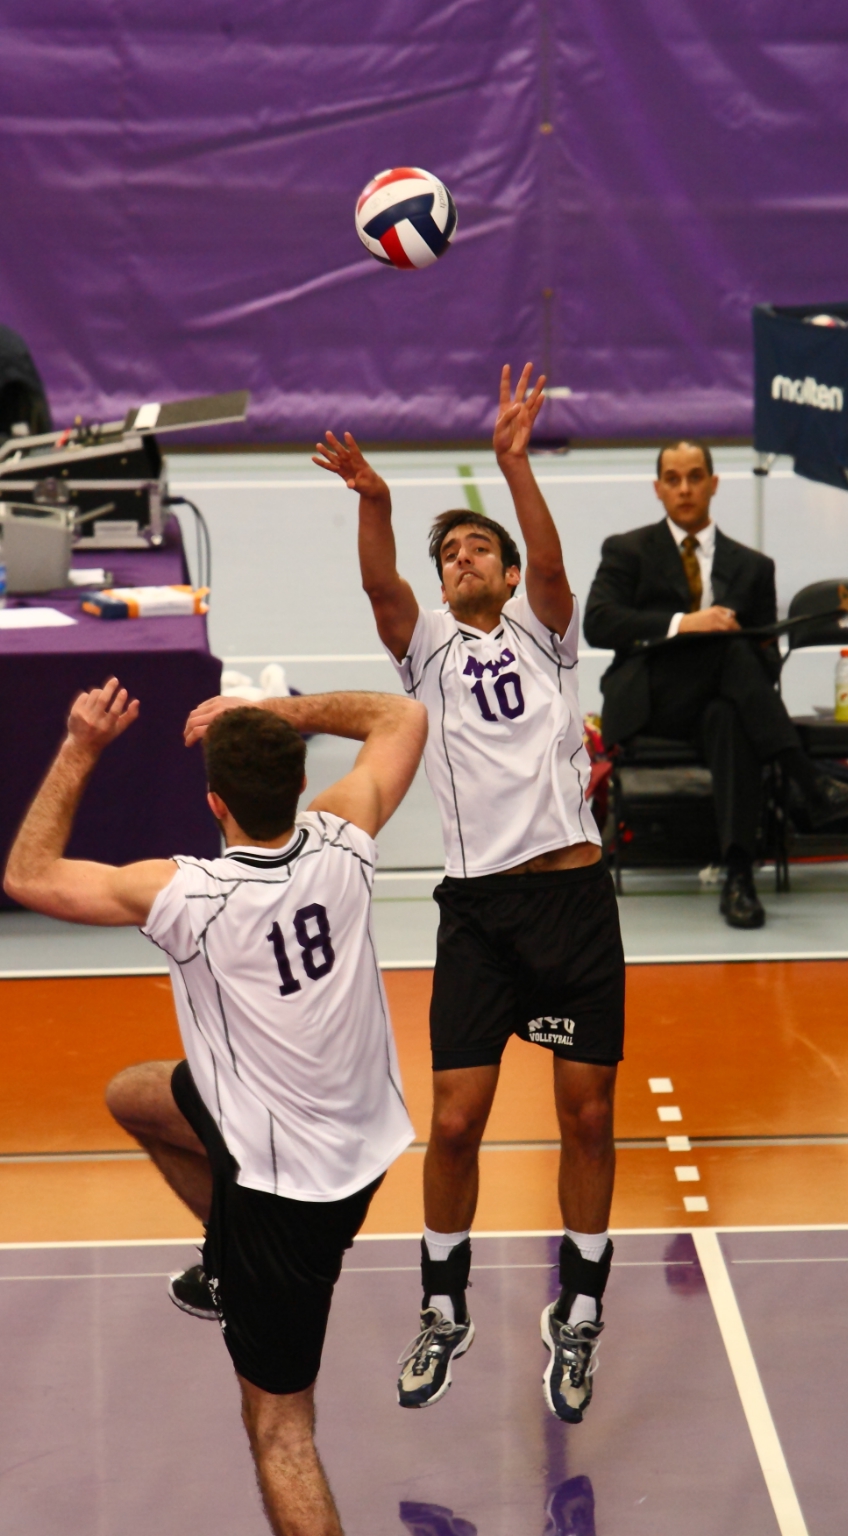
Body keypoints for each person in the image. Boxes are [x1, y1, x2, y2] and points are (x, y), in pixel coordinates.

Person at [4, 677, 427, 1536]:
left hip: (288, 1195)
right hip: (357, 1135)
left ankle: (244, 1269)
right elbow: (402, 715)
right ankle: (226, 1265)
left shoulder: (188, 897)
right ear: (301, 786)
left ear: (213, 803)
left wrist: (82, 746)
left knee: (280, 1432)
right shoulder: (346, 838)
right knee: (138, 1096)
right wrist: (284, 710)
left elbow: (28, 874)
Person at [310, 364, 624, 1426]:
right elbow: (379, 590)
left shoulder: (544, 634)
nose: (462, 561)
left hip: (574, 904)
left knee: (586, 1118)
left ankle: (577, 1312)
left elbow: (549, 561)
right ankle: (444, 1307)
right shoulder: (428, 654)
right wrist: (377, 503)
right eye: (450, 556)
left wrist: (513, 465)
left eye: (474, 547)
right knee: (454, 1121)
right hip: (480, 915)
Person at [583, 439, 848, 929]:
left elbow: (764, 664)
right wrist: (686, 623)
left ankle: (738, 875)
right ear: (658, 489)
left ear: (714, 484)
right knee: (727, 645)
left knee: (730, 711)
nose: (684, 488)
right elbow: (599, 622)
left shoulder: (753, 566)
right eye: (673, 479)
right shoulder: (627, 550)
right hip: (649, 701)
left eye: (695, 476)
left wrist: (728, 647)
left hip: (720, 705)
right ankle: (810, 781)